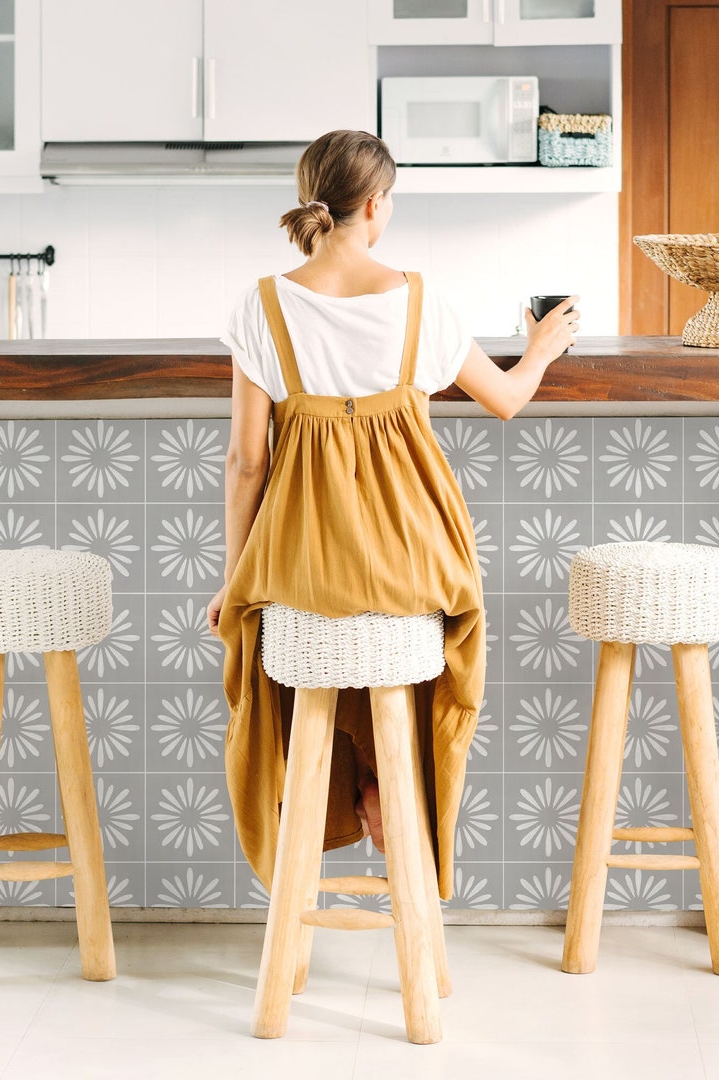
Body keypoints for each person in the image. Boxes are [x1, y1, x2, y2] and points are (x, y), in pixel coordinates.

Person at [207, 129, 577, 899]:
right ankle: (388, 786)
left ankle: (324, 810)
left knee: (298, 631)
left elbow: (248, 463)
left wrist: (234, 578)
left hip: (301, 563)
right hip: (416, 556)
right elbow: (507, 399)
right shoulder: (418, 301)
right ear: (376, 205)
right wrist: (540, 348)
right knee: (417, 648)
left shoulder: (262, 305)